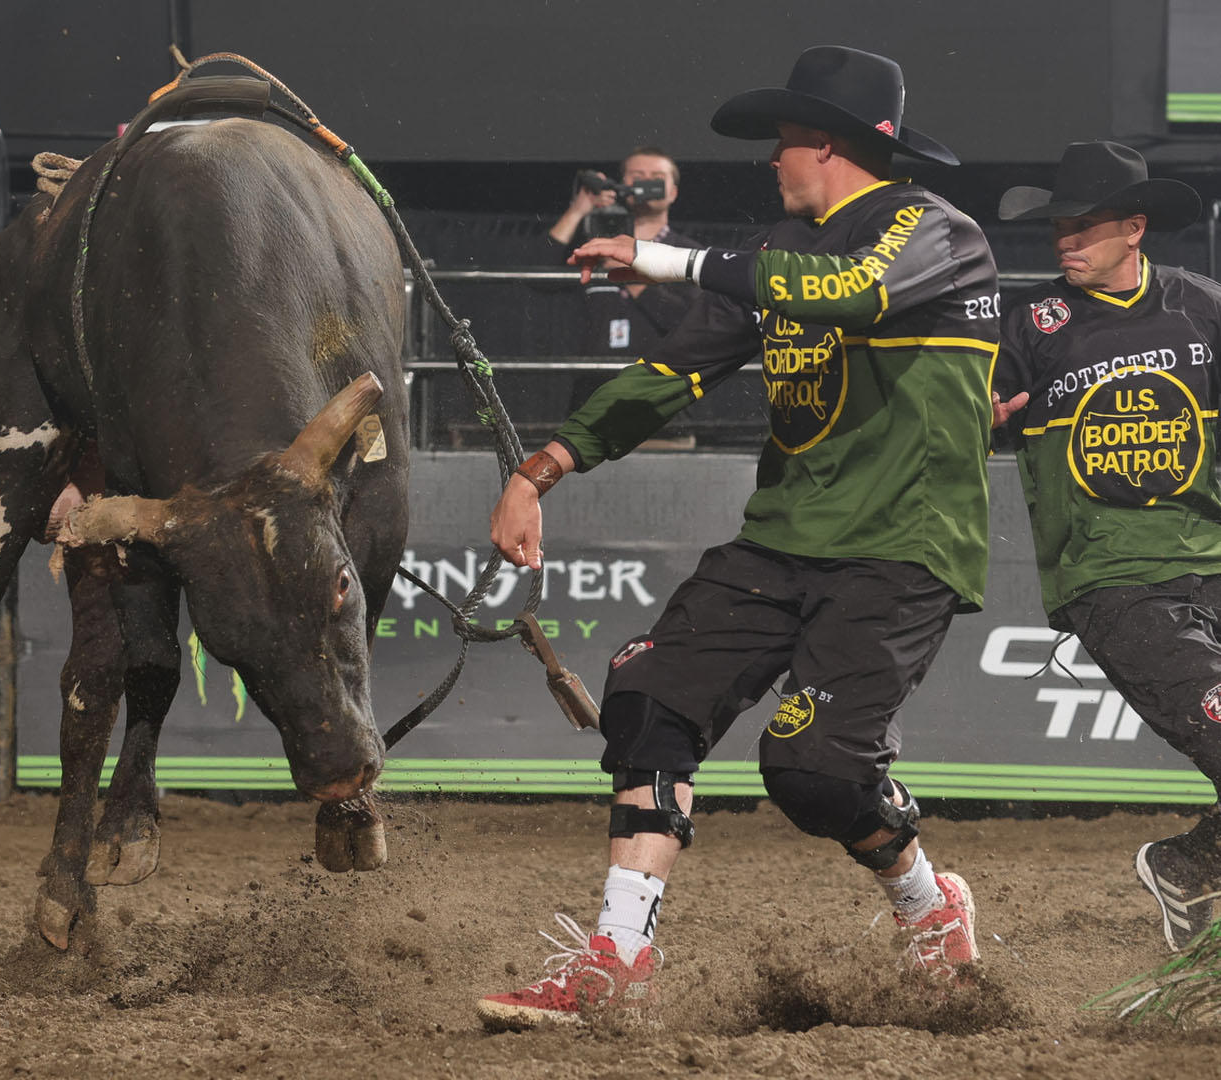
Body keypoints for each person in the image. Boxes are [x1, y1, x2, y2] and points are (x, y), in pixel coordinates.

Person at [479, 45, 1001, 1029]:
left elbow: (855, 295)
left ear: (830, 148)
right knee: (645, 701)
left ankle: (930, 909)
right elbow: (672, 374)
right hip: (780, 544)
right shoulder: (781, 257)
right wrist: (539, 468)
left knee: (812, 768)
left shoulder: (939, 234)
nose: (773, 163)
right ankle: (616, 960)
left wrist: (662, 255)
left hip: (900, 551)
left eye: (783, 146)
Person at [990, 141, 1221, 952]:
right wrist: (971, 416)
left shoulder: (1202, 306)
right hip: (1115, 580)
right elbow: (962, 409)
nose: (1065, 242)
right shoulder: (1029, 326)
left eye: (1083, 227)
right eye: (1058, 228)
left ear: (1135, 228)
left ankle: (1191, 864)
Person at [545, 148, 702, 366]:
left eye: (656, 178)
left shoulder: (687, 252)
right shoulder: (597, 245)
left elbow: (693, 324)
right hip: (593, 379)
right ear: (623, 186)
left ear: (673, 192)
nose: (646, 182)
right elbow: (540, 278)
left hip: (660, 382)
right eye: (637, 177)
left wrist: (634, 277)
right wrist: (578, 210)